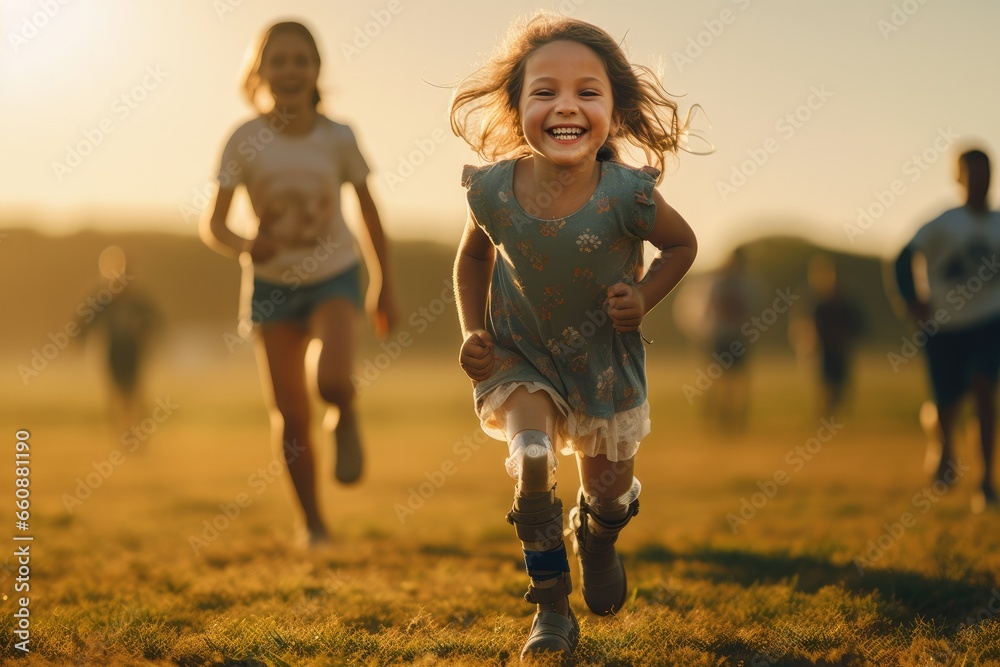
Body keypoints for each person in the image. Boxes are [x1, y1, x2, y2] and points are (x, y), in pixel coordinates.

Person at [451, 13, 698, 663]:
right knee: (531, 456)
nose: (566, 105)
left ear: (613, 113)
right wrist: (473, 329)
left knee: (610, 488)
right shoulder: (495, 191)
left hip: (602, 366)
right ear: (516, 107)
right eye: (545, 91)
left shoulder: (628, 194)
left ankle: (599, 531)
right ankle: (552, 605)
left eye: (587, 91)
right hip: (520, 354)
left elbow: (682, 244)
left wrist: (643, 296)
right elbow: (473, 260)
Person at [201, 21, 397, 546]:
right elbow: (214, 225)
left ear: (316, 70)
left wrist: (384, 283)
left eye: (300, 60)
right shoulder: (243, 140)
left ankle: (346, 411)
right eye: (278, 61)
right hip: (270, 289)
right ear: (260, 71)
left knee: (332, 382)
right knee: (290, 415)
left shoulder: (338, 137)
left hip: (334, 275)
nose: (289, 70)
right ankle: (312, 524)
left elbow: (369, 210)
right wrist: (245, 245)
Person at [894, 148, 1000, 514]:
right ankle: (944, 447)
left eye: (986, 171)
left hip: (989, 322)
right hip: (945, 325)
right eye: (972, 173)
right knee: (947, 405)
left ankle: (986, 480)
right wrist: (913, 301)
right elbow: (904, 257)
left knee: (984, 385)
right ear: (959, 178)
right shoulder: (943, 224)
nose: (980, 180)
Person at [79, 245, 163, 438]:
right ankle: (122, 433)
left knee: (134, 394)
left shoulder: (138, 301)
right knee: (116, 395)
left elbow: (155, 321)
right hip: (111, 355)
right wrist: (79, 338)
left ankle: (138, 433)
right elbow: (84, 321)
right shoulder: (103, 300)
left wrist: (144, 329)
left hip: (133, 354)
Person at [704, 248, 759, 431]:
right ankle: (722, 416)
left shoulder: (747, 285)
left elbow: (752, 312)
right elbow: (711, 309)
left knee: (739, 379)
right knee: (720, 379)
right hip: (722, 336)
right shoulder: (719, 284)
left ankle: (738, 417)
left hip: (739, 338)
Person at [808, 254, 864, 417]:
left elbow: (858, 327)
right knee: (826, 383)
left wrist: (846, 338)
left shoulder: (847, 305)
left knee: (841, 384)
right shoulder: (819, 305)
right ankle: (825, 414)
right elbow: (813, 328)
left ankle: (837, 416)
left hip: (842, 350)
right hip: (824, 350)